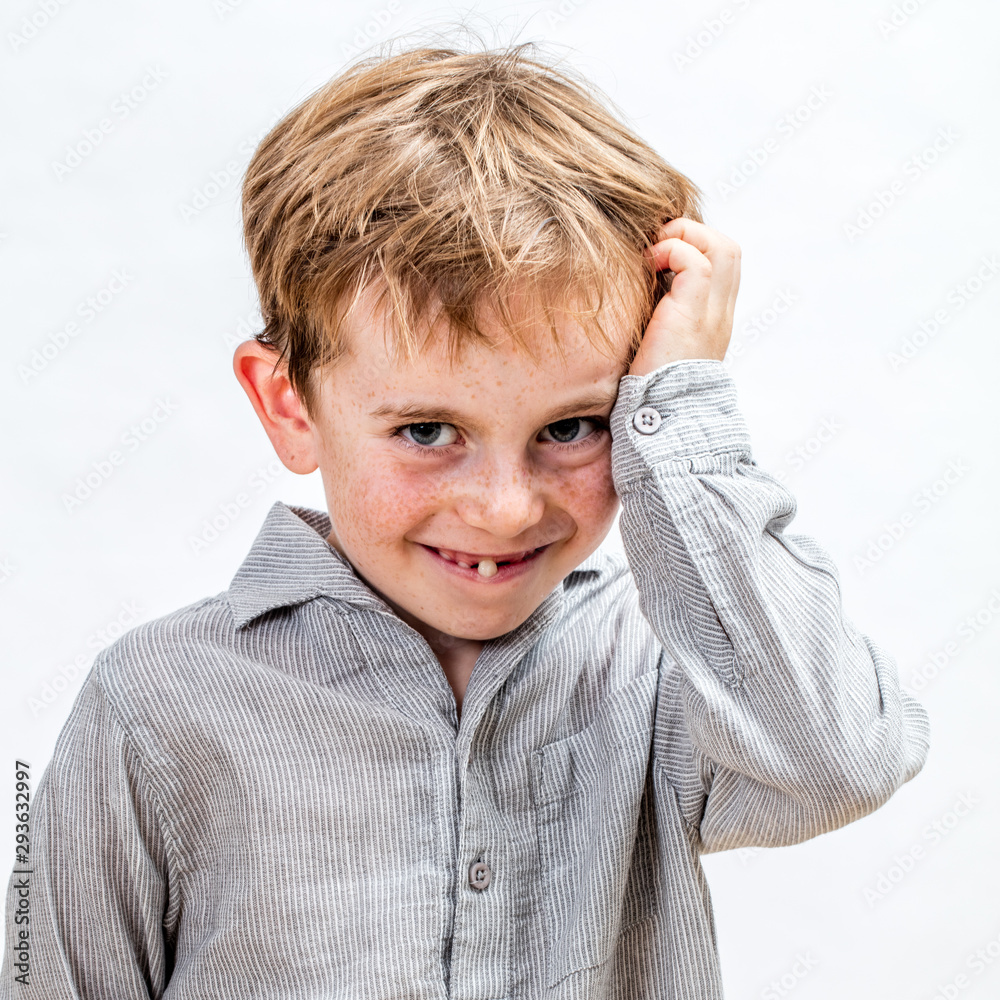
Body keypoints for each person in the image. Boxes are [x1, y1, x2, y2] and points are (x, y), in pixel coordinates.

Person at [1, 38, 929, 999]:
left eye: (573, 426)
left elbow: (841, 759)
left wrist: (682, 419)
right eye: (428, 429)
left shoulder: (662, 665)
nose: (504, 507)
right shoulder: (153, 704)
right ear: (287, 404)